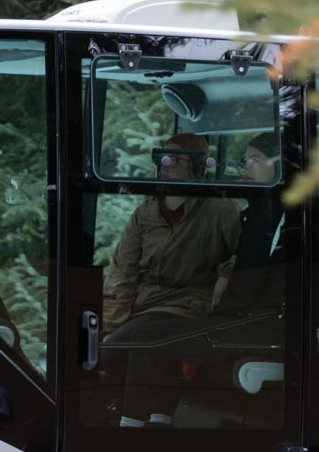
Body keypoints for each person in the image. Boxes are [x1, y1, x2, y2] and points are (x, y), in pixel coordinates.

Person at [100, 132, 240, 332]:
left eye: (175, 160)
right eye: (162, 158)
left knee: (130, 339)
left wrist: (226, 273)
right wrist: (109, 324)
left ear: (196, 165)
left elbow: (245, 252)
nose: (165, 164)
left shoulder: (218, 209)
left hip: (185, 303)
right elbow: (123, 272)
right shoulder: (145, 213)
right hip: (142, 301)